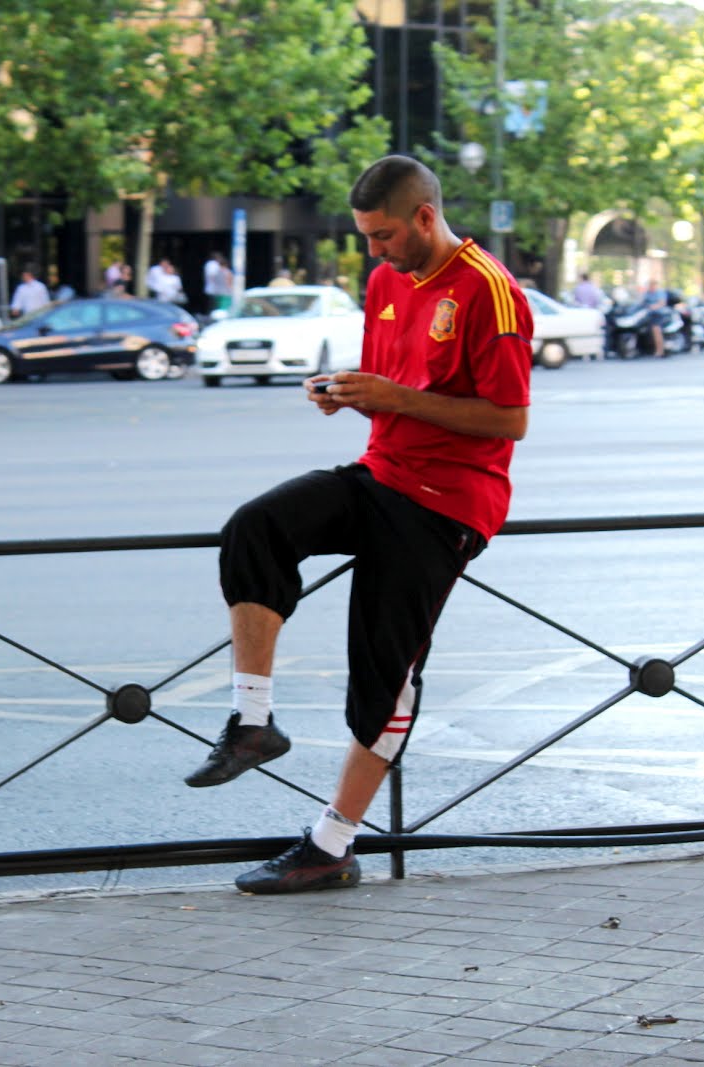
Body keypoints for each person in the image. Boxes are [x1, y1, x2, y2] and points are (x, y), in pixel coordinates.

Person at [185, 154, 532, 895]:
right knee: (256, 527)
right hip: (380, 474)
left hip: (447, 504)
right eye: (366, 237)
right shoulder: (384, 283)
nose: (373, 252)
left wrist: (392, 398)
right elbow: (398, 391)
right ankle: (254, 723)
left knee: (383, 683)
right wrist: (351, 395)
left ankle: (332, 844)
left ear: (425, 218)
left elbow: (510, 419)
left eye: (382, 236)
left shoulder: (490, 292)